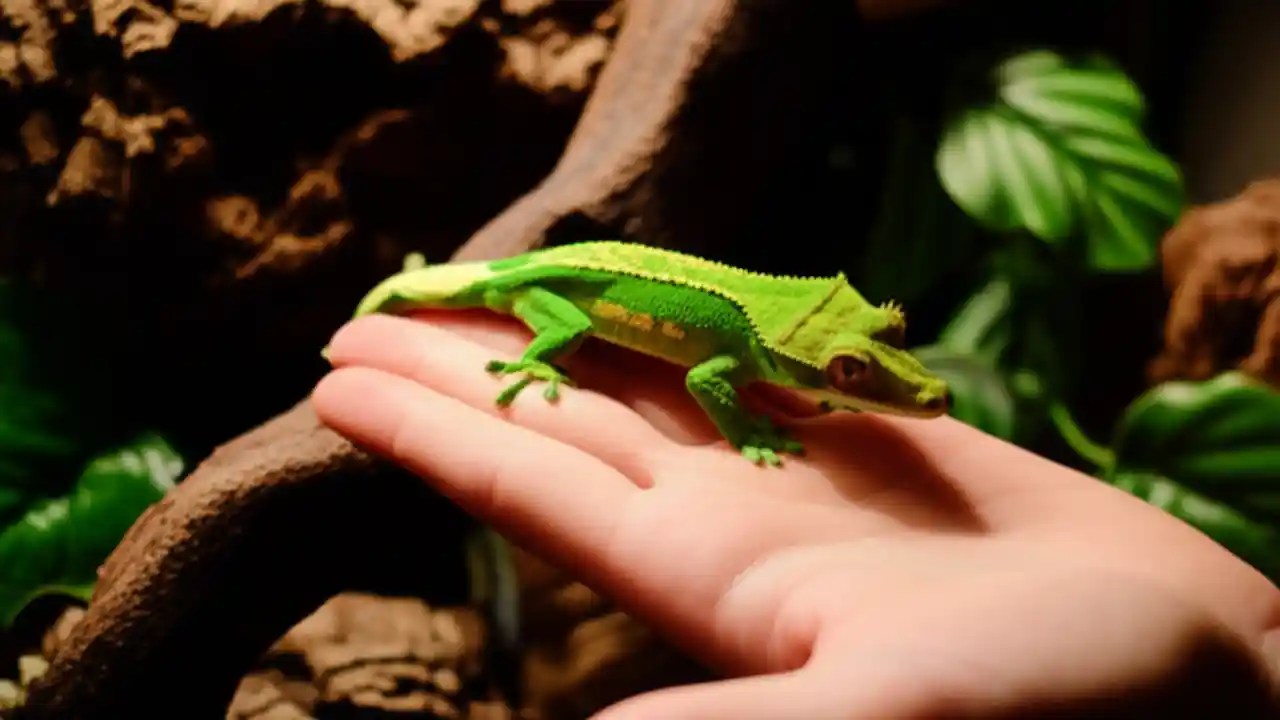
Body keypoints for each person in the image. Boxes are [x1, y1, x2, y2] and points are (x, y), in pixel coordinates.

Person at [312, 310, 1280, 718]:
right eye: (854, 376)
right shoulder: (741, 361)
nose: (924, 393)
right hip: (554, 306)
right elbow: (701, 373)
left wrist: (1247, 647)